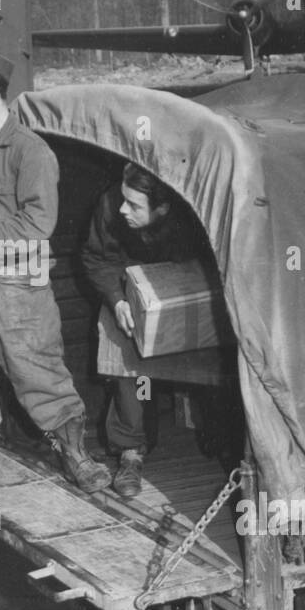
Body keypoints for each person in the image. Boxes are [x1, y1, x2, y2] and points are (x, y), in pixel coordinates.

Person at [0, 50, 110, 506]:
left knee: (40, 373)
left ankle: (75, 456)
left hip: (17, 289)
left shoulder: (32, 151)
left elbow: (38, 224)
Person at [81, 163, 207, 496]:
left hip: (184, 290)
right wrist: (117, 299)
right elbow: (96, 259)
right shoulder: (112, 205)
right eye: (123, 199)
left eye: (135, 205)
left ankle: (218, 440)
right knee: (130, 366)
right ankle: (131, 451)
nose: (123, 209)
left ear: (163, 208)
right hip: (128, 292)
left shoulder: (192, 211)